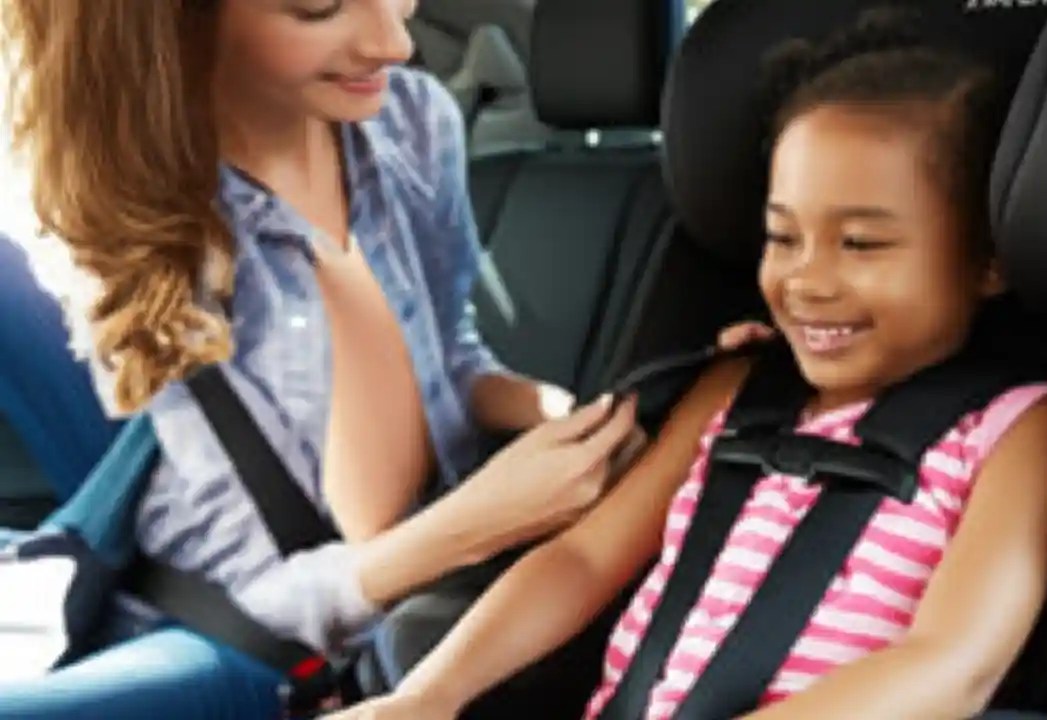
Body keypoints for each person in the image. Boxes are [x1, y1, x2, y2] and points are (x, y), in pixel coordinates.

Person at [331, 11, 1047, 720]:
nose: (807, 281)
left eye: (861, 244)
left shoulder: (1019, 429)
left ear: (987, 258)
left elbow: (954, 665)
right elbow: (584, 561)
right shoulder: (738, 388)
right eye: (783, 238)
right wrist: (427, 696)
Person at [0, 0, 671, 717]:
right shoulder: (126, 222)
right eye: (319, 9)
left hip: (380, 626)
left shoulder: (414, 124)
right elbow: (250, 597)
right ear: (185, 24)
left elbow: (450, 358)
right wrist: (472, 523)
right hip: (232, 625)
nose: (396, 41)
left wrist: (558, 412)